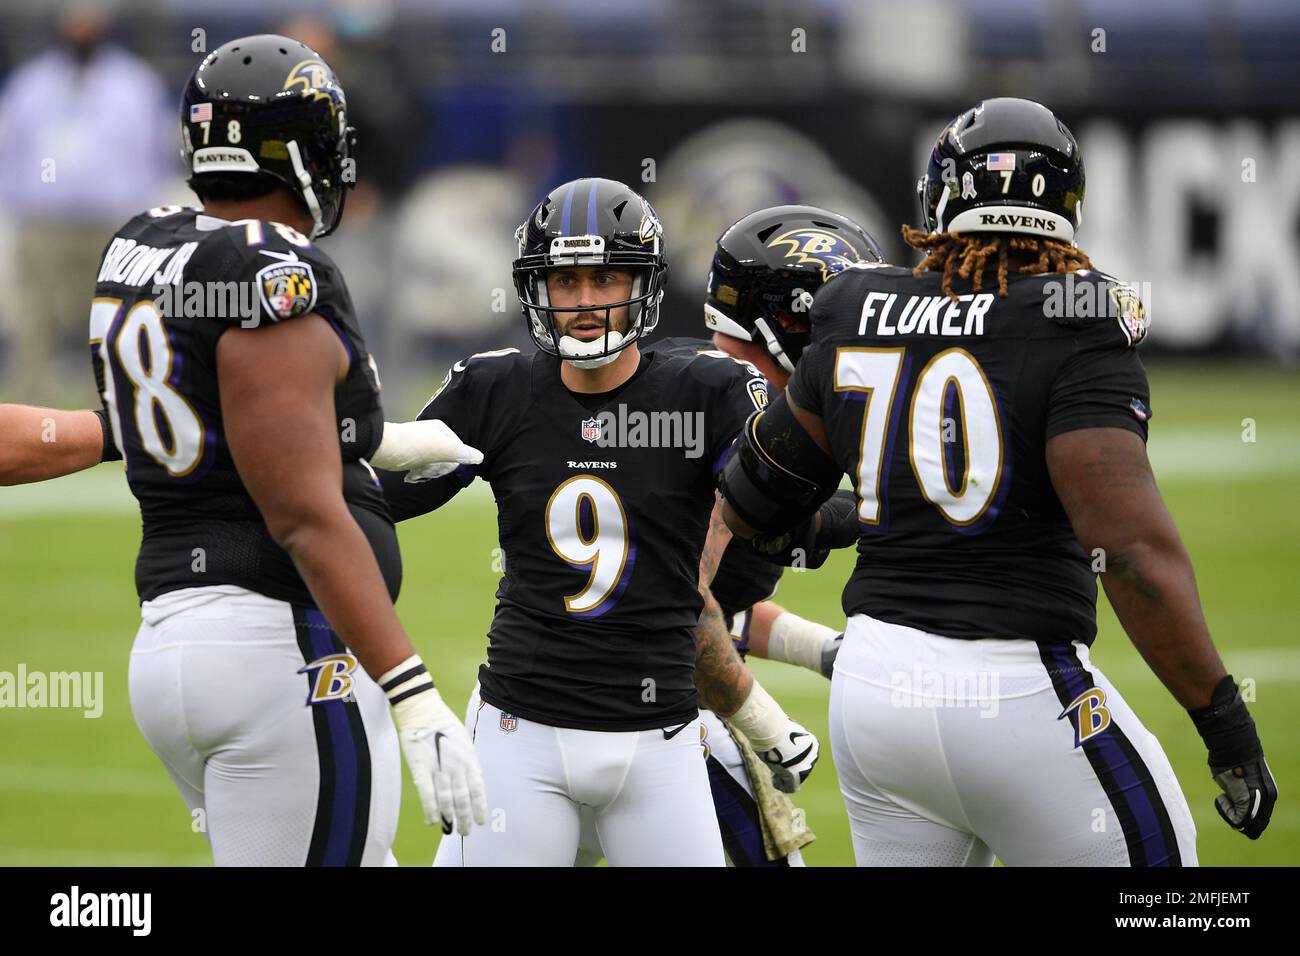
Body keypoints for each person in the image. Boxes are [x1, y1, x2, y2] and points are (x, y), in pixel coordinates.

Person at [719, 97, 1277, 866]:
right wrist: (1224, 725)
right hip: (1019, 689)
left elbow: (755, 499)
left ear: (943, 198)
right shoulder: (1078, 318)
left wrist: (859, 514)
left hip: (877, 693)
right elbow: (1133, 556)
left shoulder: (855, 308)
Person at [1, 34, 488, 866]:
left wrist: (388, 441)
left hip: (171, 643)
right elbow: (299, 511)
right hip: (283, 650)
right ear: (306, 150)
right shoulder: (272, 269)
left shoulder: (144, 241)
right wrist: (412, 692)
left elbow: (180, 422)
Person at [379, 177, 820, 866]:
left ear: (643, 282)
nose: (585, 303)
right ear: (536, 288)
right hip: (519, 732)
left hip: (662, 741)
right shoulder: (496, 390)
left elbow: (782, 506)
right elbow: (366, 505)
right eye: (566, 280)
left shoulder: (706, 392)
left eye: (606, 277)